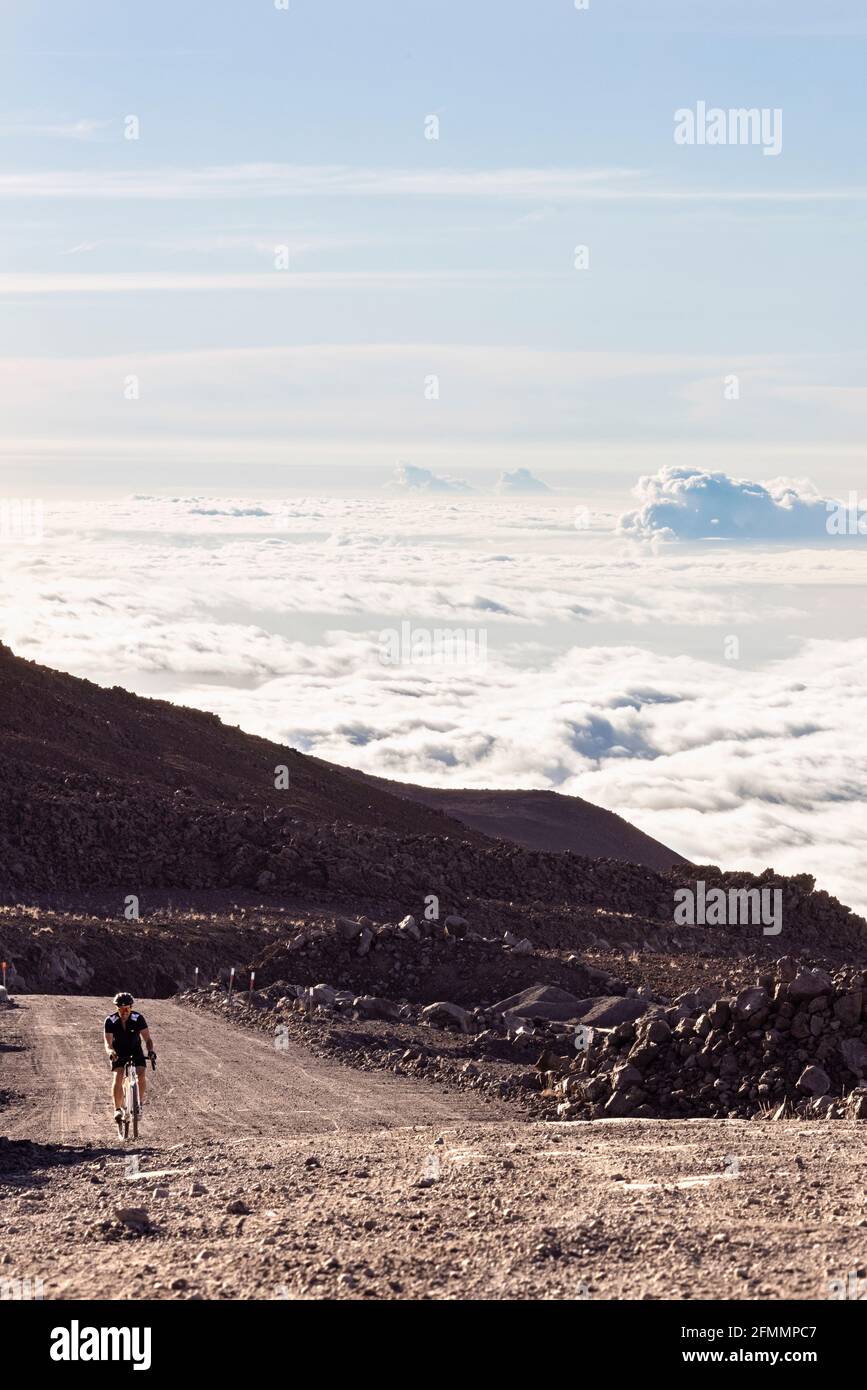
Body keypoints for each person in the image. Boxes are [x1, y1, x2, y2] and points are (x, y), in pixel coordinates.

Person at [104, 992, 155, 1123]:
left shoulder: (138, 1018)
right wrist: (110, 1051)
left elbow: (147, 1038)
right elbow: (108, 1042)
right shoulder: (110, 1021)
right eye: (121, 1009)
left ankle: (138, 1104)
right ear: (117, 1009)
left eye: (127, 1008)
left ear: (131, 1008)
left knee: (141, 1073)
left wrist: (150, 1051)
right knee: (118, 1075)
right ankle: (117, 1109)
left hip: (135, 1050)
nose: (124, 1012)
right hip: (118, 1052)